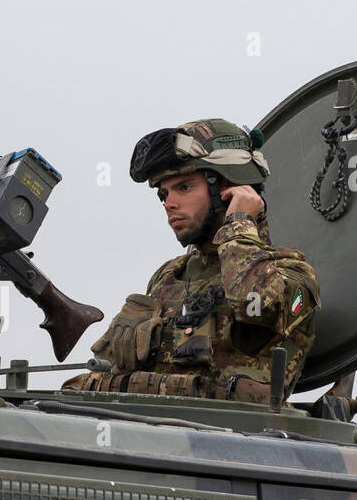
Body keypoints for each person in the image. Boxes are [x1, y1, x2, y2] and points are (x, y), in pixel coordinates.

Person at [64, 119, 319, 403]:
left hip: (230, 440)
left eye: (184, 188)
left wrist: (239, 221)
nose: (169, 204)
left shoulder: (291, 274)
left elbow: (252, 303)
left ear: (229, 187)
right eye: (164, 194)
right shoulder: (169, 275)